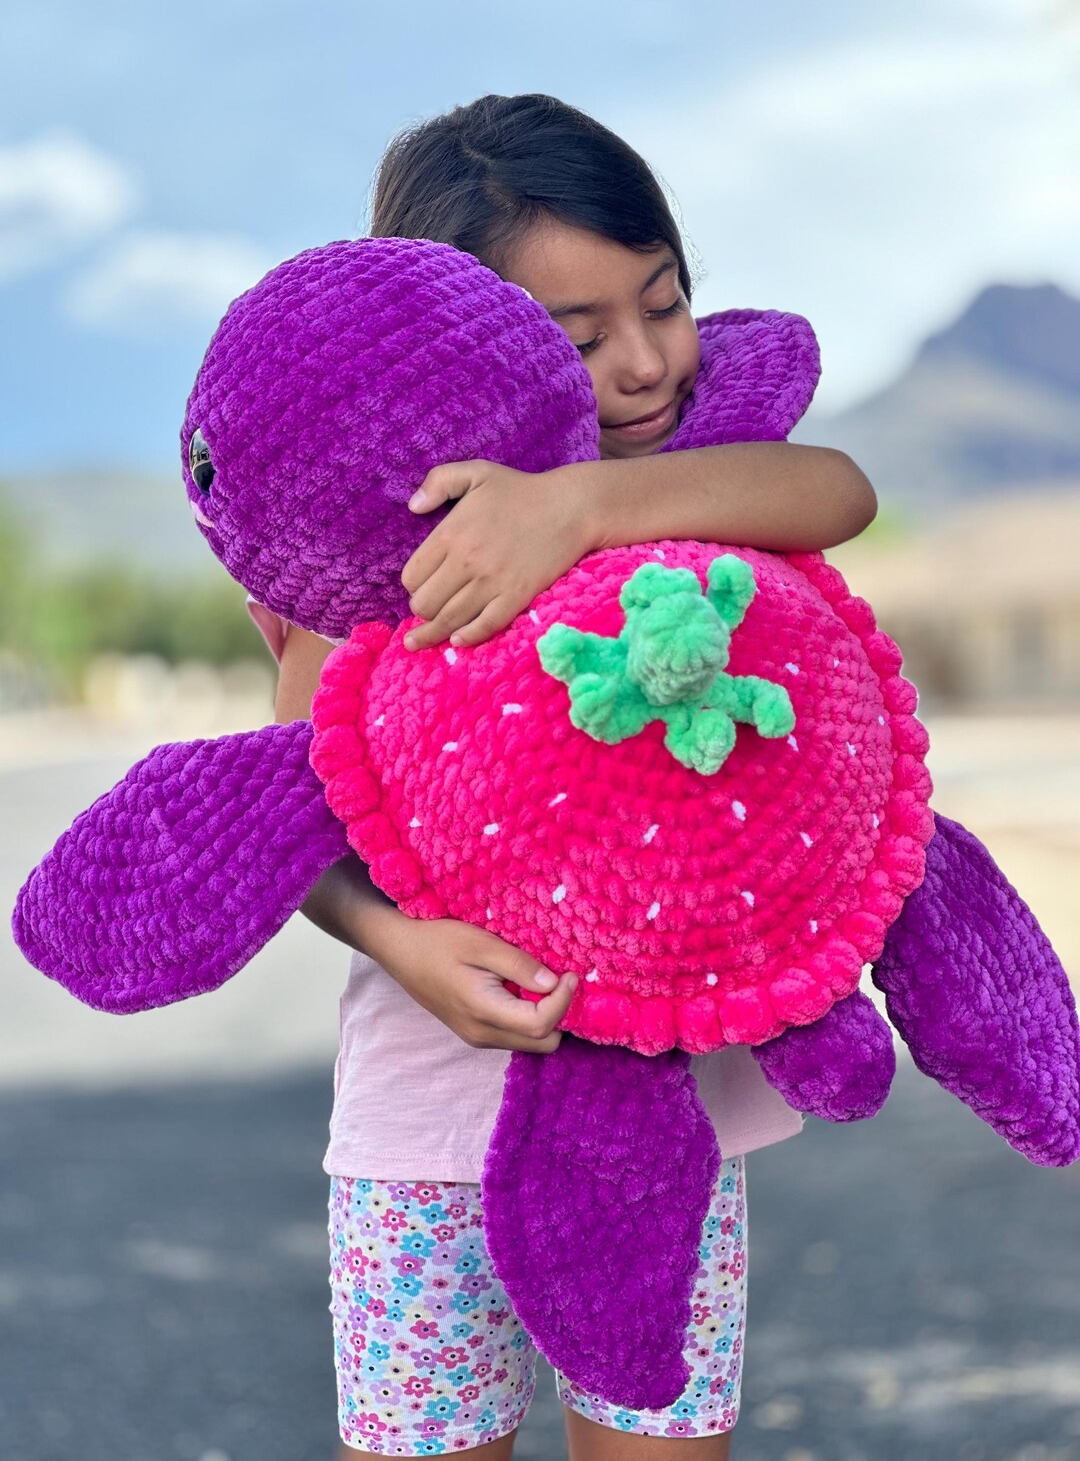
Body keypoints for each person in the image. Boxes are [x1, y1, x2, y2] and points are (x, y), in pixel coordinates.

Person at [258, 94, 877, 1460]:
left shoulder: (696, 475)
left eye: (666, 301)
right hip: (426, 1116)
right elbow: (285, 805)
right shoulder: (372, 526)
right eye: (580, 337)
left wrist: (581, 503)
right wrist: (397, 943)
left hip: (664, 1119)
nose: (648, 363)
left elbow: (836, 489)